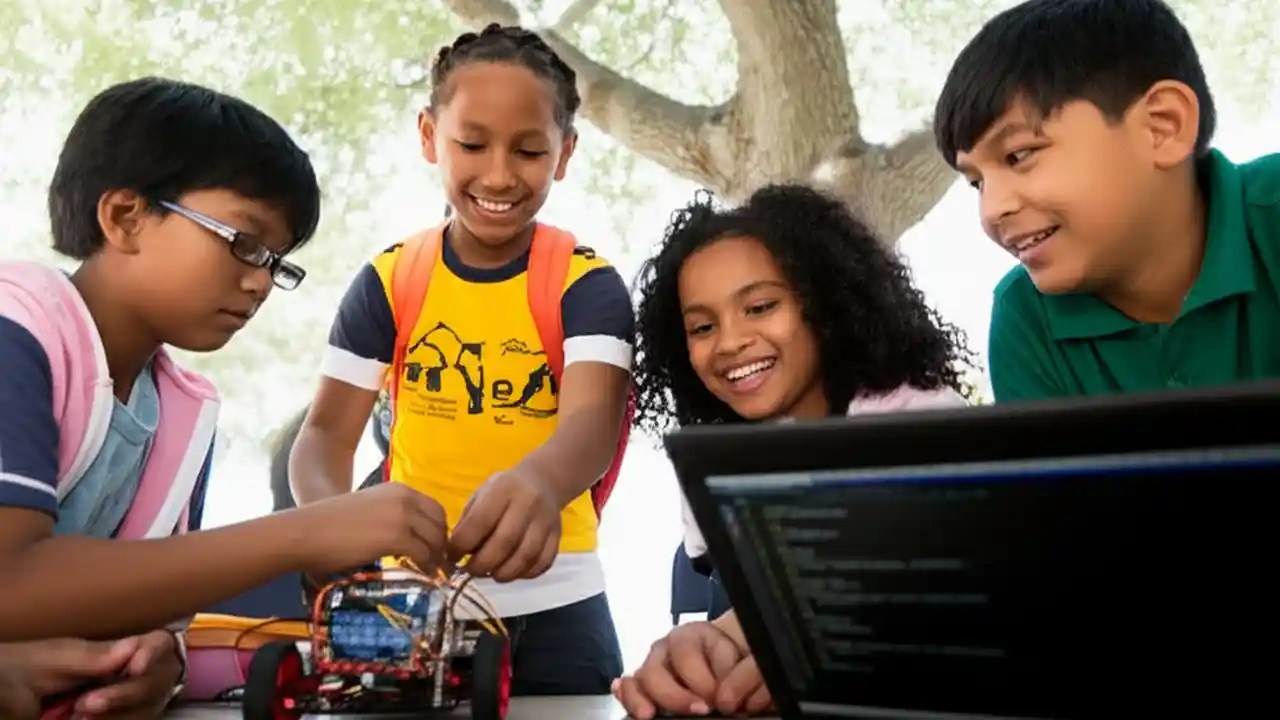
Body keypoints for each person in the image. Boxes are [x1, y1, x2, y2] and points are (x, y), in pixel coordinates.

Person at [0, 77, 451, 716]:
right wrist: (305, 531)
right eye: (244, 242)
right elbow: (9, 584)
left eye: (278, 262)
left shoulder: (181, 416)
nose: (262, 281)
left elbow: (148, 601)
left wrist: (165, 660)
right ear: (126, 217)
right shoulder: (17, 332)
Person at [289, 24, 633, 696]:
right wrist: (335, 526)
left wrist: (538, 482)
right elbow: (325, 435)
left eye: (530, 150)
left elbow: (592, 426)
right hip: (408, 607)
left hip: (559, 609)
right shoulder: (390, 281)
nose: (500, 174)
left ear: (564, 154)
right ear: (428, 137)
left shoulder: (587, 284)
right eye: (471, 144)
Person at [614, 184, 973, 718]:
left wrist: (765, 638)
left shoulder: (917, 419)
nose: (731, 341)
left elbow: (903, 567)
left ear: (824, 305)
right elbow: (747, 614)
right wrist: (708, 646)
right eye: (703, 326)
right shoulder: (721, 460)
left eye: (760, 306)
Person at [933, 0, 1280, 402]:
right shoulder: (1026, 318)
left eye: (1019, 155)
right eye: (976, 183)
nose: (993, 210)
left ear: (1162, 127)